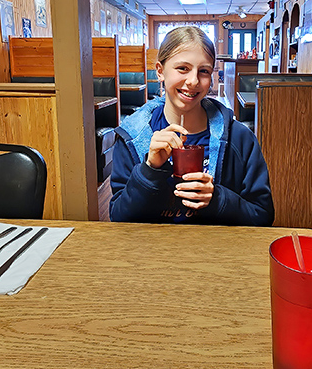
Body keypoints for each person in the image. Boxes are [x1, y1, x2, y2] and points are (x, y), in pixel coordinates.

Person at [110, 26, 274, 226]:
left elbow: (262, 215)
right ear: (160, 71)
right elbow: (118, 217)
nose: (193, 81)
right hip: (152, 252)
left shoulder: (240, 139)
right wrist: (150, 169)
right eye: (183, 68)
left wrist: (218, 199)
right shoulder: (132, 137)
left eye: (204, 71)